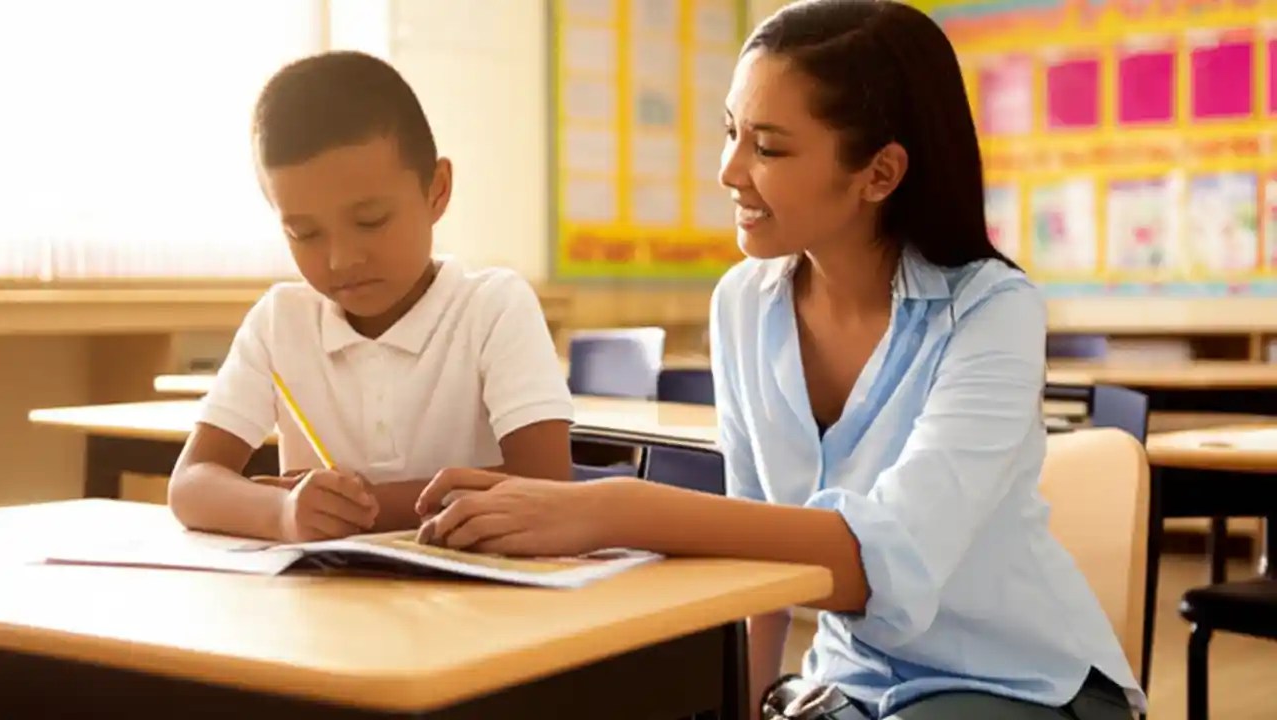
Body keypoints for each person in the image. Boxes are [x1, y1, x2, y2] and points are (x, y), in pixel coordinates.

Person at [410, 1, 1144, 718]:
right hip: (850, 685)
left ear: (879, 175)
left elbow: (883, 562)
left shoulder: (992, 310)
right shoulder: (744, 304)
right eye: (730, 132)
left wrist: (609, 509)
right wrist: (748, 697)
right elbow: (757, 554)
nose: (730, 171)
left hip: (1023, 684)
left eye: (768, 147)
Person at [168, 51, 573, 542]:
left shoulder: (494, 308)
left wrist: (367, 508)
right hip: (325, 608)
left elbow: (548, 486)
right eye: (304, 233)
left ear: (437, 191)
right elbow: (190, 483)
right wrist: (282, 512)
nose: (341, 259)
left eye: (371, 221)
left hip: (479, 606)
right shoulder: (281, 323)